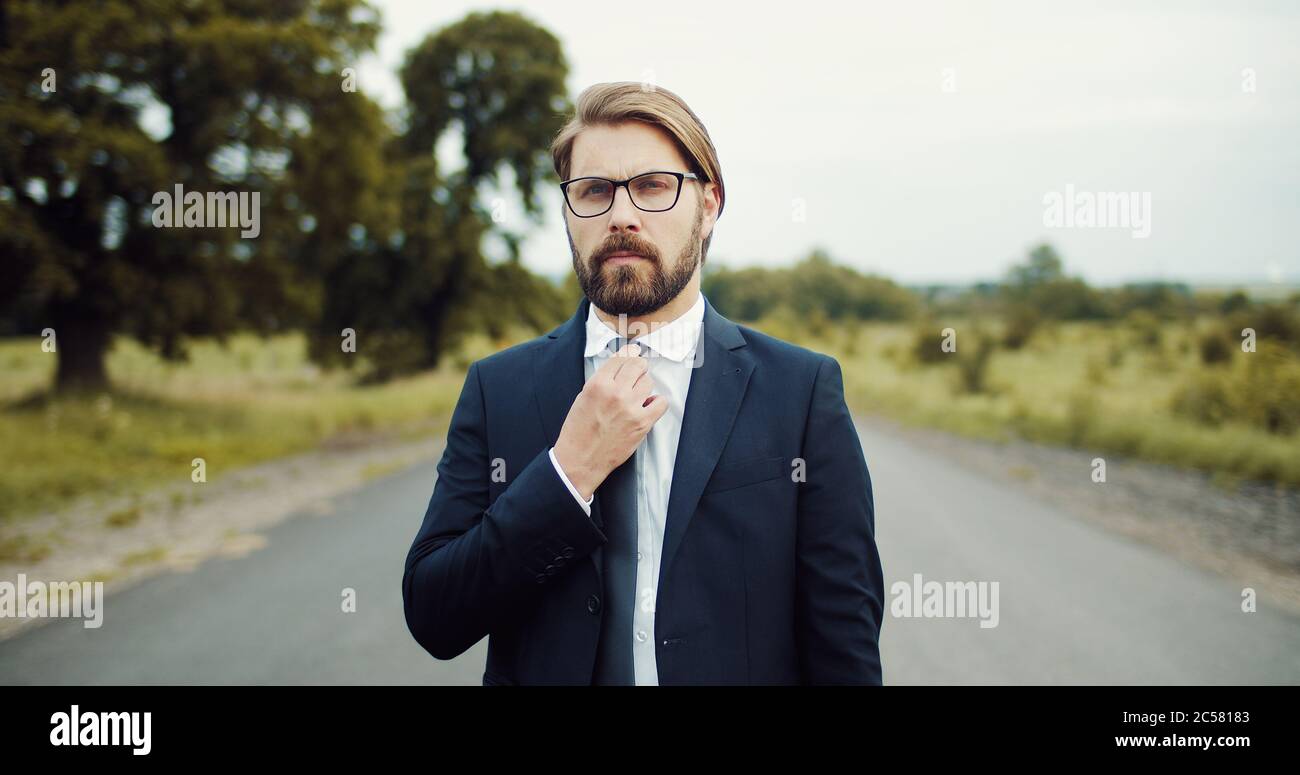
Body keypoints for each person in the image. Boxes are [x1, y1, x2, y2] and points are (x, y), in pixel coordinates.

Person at [402, 81, 884, 685]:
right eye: (594, 191)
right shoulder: (497, 387)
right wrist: (567, 473)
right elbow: (434, 616)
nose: (621, 216)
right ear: (568, 210)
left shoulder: (802, 391)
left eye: (653, 186)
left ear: (709, 205)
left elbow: (845, 643)